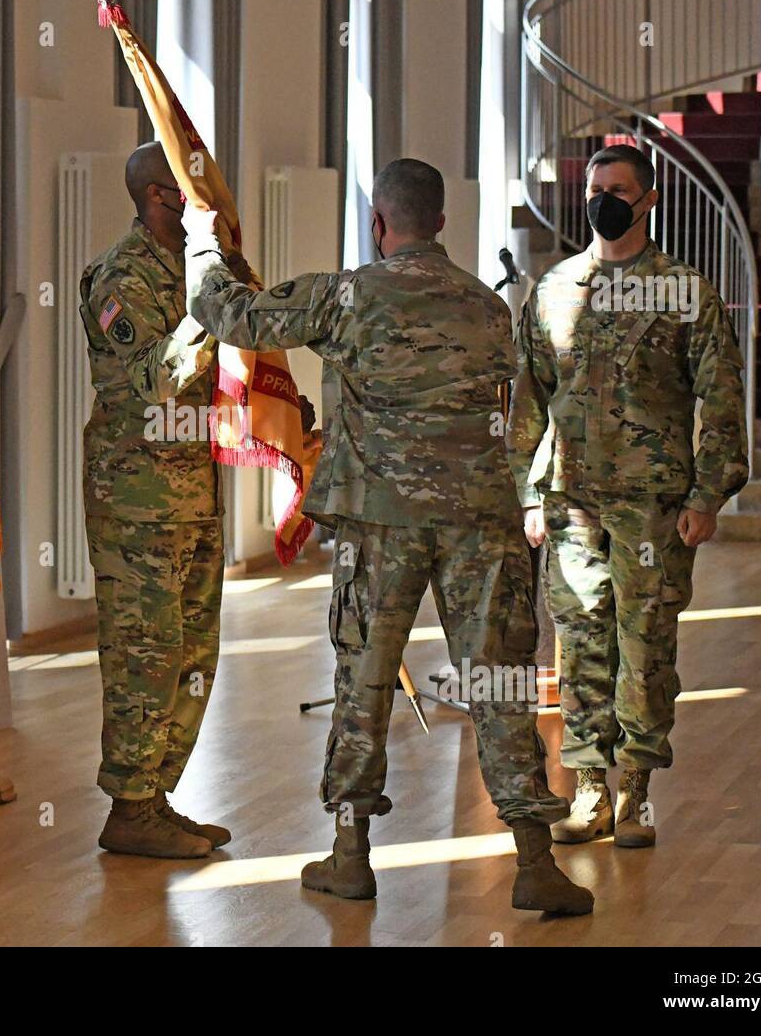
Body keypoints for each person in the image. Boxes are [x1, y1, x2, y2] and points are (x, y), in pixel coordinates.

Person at [182, 158, 592, 915]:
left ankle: (350, 855)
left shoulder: (349, 294)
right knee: (498, 683)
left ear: (380, 224)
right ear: (439, 222)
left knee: (364, 684)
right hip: (480, 522)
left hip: (381, 524)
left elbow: (232, 316)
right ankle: (535, 862)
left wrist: (202, 247)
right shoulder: (489, 307)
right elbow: (528, 404)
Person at [508, 143, 749, 848]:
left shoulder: (684, 291)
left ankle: (637, 791)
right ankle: (588, 787)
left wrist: (708, 493)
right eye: (594, 188)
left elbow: (723, 398)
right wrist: (527, 492)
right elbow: (528, 398)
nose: (601, 200)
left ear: (647, 201)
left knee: (644, 645)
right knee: (581, 641)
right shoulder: (553, 289)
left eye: (616, 189)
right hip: (571, 499)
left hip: (655, 504)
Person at [77, 141, 228, 859]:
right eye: (192, 185)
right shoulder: (120, 278)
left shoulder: (193, 270)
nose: (209, 195)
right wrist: (211, 307)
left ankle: (155, 795)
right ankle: (129, 804)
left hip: (193, 490)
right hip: (137, 497)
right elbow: (154, 381)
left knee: (194, 651)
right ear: (159, 198)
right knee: (146, 652)